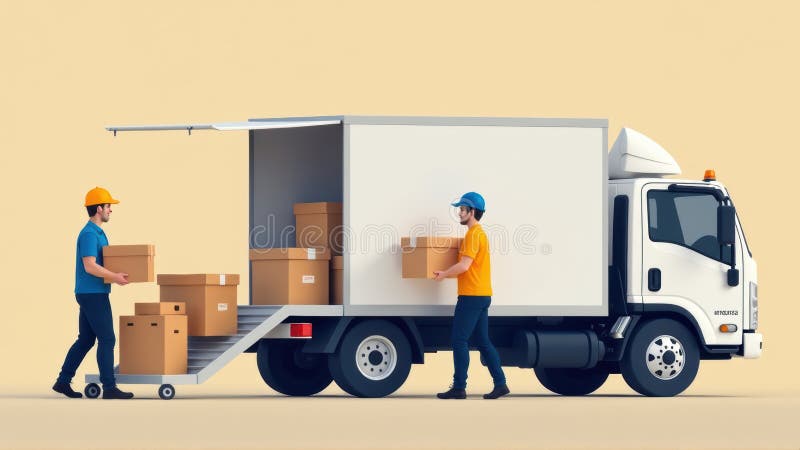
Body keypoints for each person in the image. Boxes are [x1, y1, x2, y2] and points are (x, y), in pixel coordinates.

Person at [52, 187, 134, 399]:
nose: (110, 210)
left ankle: (62, 381)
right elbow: (89, 265)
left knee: (86, 339)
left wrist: (115, 274)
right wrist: (115, 277)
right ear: (99, 208)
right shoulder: (89, 233)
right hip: (93, 293)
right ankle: (109, 388)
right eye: (108, 206)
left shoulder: (98, 232)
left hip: (91, 292)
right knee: (107, 339)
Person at [433, 192, 509, 399]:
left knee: (459, 340)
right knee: (483, 341)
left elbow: (464, 266)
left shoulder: (473, 235)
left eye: (462, 209)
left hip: (471, 295)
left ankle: (459, 387)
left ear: (472, 211)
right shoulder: (479, 234)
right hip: (482, 294)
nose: (459, 212)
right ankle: (501, 383)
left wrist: (444, 274)